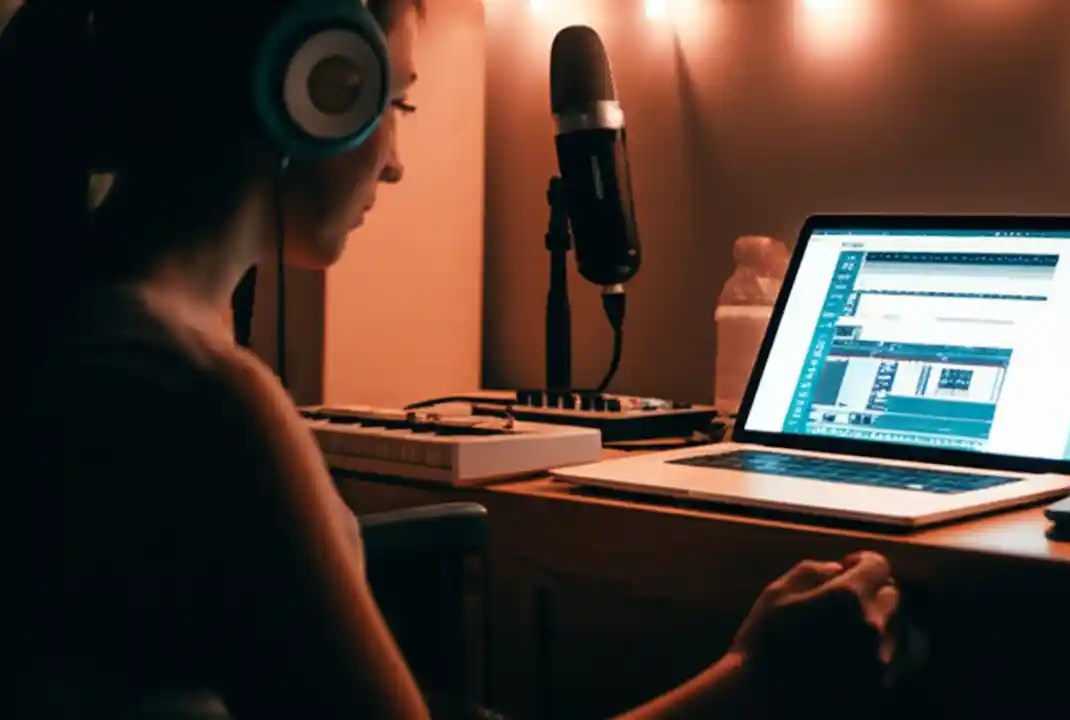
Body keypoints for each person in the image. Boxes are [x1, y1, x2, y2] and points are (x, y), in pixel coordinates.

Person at [4, 1, 901, 717]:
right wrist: (757, 676)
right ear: (312, 89)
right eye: (396, 106)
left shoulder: (69, 323)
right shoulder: (206, 399)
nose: (393, 166)